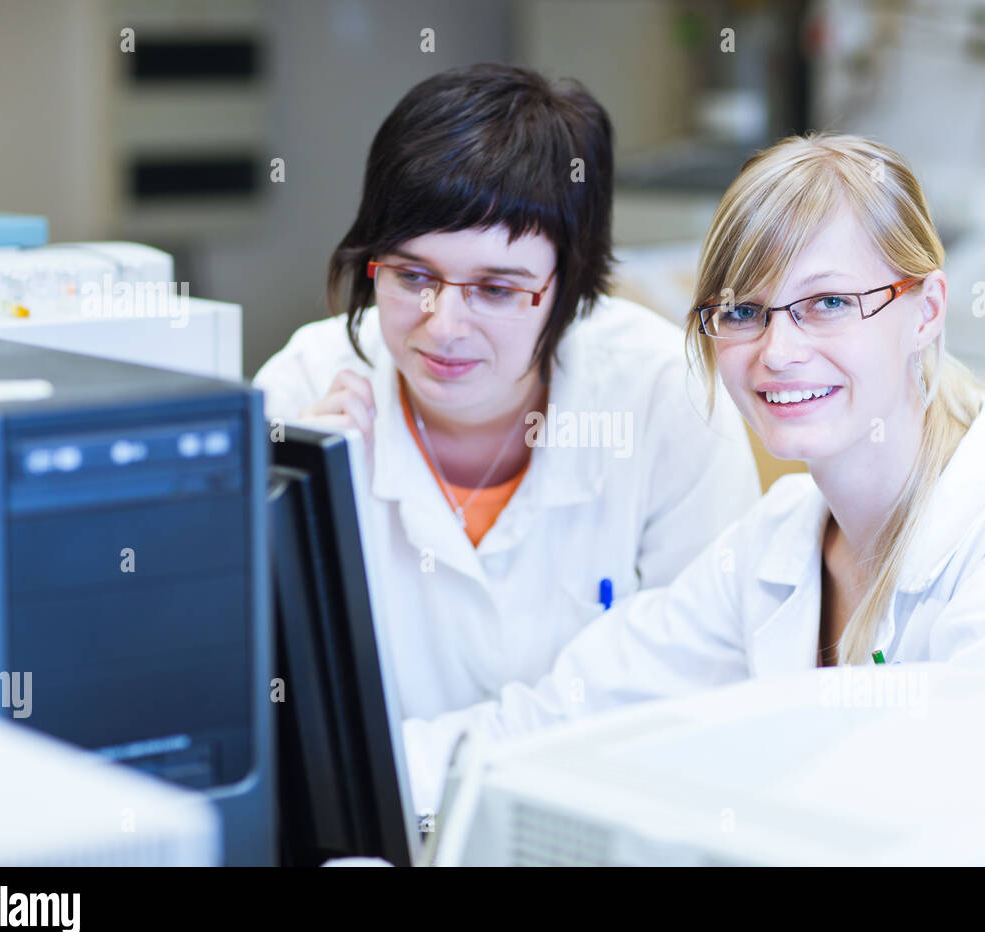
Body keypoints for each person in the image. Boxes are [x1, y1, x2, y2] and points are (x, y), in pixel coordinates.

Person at [402, 132, 985, 814]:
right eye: (745, 311)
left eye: (826, 303)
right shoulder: (777, 543)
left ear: (927, 310)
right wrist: (345, 784)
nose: (778, 351)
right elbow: (564, 717)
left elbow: (971, 829)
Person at [252, 63, 759, 724]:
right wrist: (292, 517)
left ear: (571, 287)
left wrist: (436, 764)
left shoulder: (664, 397)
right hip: (367, 831)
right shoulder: (301, 393)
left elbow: (706, 684)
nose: (444, 325)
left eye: (495, 290)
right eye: (411, 275)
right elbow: (235, 689)